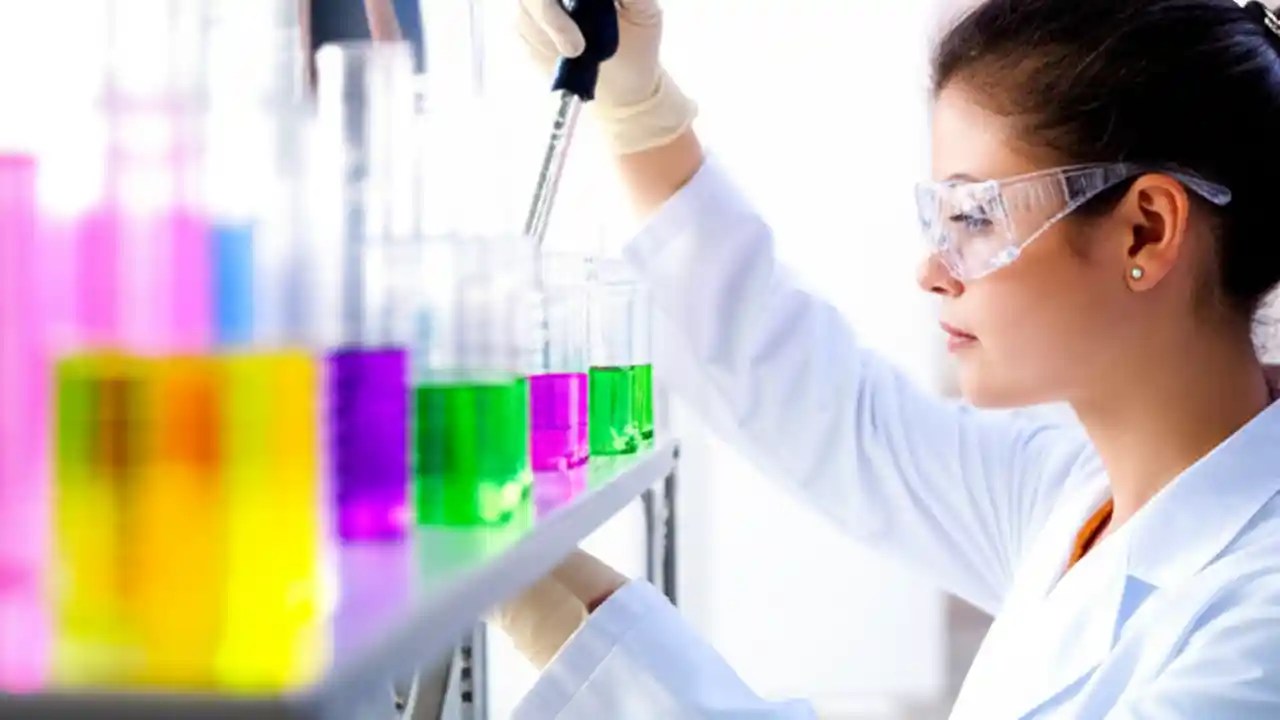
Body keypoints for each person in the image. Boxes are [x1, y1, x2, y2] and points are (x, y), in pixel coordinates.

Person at [495, 0, 1280, 717]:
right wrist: (639, 108)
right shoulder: (1078, 499)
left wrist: (558, 620)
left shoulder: (1257, 625)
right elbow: (827, 410)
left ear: (1144, 230)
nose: (933, 270)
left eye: (974, 215)